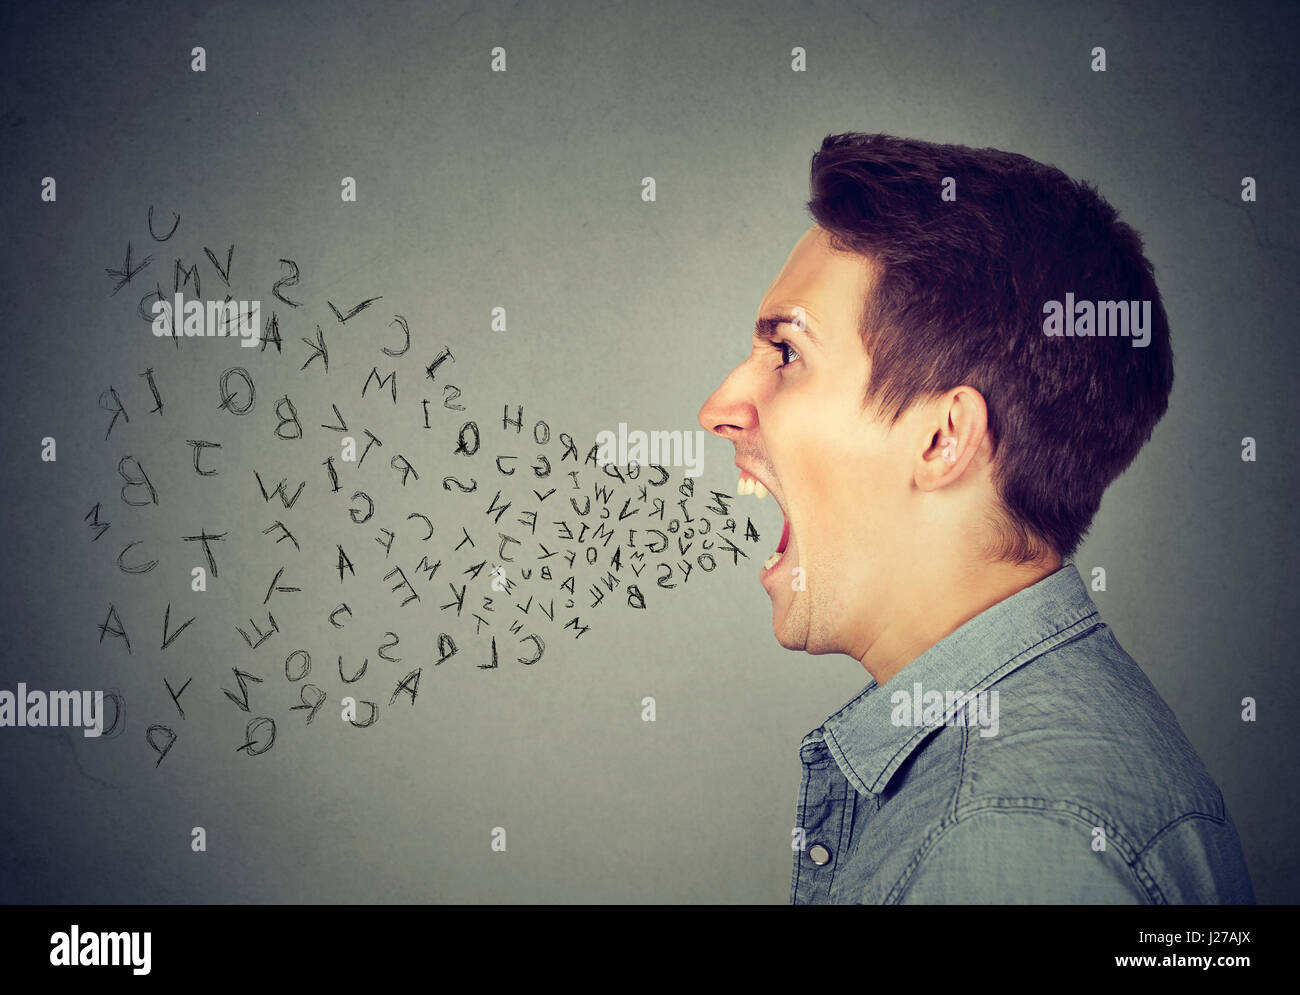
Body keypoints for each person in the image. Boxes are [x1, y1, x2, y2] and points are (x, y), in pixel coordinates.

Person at [697, 132, 1254, 904]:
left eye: (786, 353)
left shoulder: (1008, 837)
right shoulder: (1039, 782)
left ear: (943, 437)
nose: (719, 408)